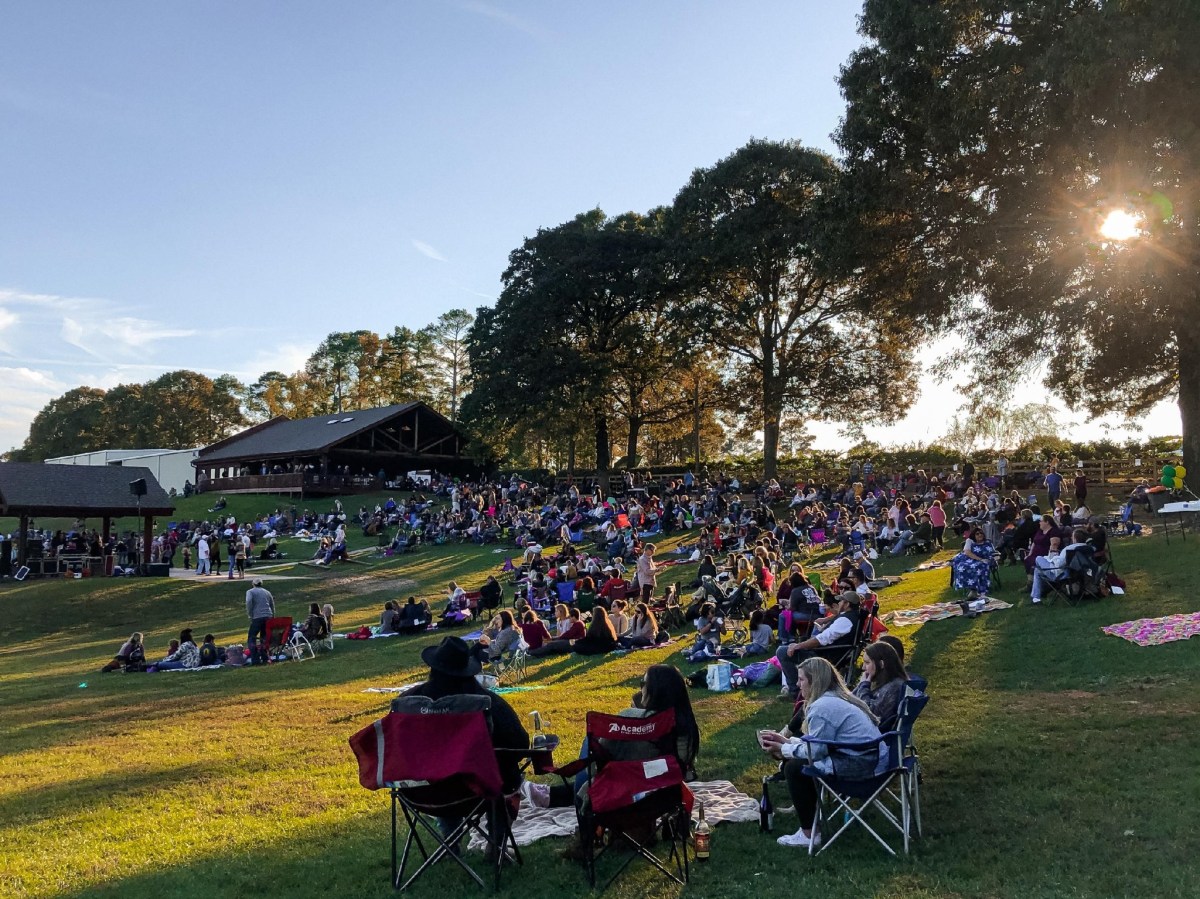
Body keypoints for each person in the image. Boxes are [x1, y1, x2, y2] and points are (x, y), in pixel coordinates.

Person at [405, 637, 530, 849]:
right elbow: (519, 744)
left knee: (441, 771)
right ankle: (496, 845)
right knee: (503, 772)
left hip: (420, 792)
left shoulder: (409, 703)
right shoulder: (488, 703)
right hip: (479, 792)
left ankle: (450, 843)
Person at [523, 663, 701, 810]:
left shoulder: (631, 717)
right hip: (665, 791)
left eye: (643, 684)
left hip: (629, 786)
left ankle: (558, 801)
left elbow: (600, 756)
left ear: (655, 690)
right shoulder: (687, 725)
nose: (641, 690)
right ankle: (549, 795)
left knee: (590, 748)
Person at [760, 657, 882, 848]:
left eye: (801, 680)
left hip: (860, 765)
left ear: (814, 681)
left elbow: (816, 751)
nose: (797, 684)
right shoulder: (835, 698)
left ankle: (809, 835)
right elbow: (821, 743)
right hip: (868, 758)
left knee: (794, 769)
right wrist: (786, 741)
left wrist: (782, 749)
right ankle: (811, 826)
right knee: (798, 764)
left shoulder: (822, 707)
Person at [774, 591, 862, 697]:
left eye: (841, 601)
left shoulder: (845, 620)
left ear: (847, 604)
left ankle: (796, 692)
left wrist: (798, 646)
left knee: (782, 651)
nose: (838, 603)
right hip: (827, 653)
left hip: (823, 657)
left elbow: (820, 640)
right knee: (787, 649)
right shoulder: (852, 617)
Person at [852, 642, 908, 728]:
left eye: (867, 663)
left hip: (869, 735)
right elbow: (850, 698)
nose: (863, 668)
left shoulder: (894, 687)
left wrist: (863, 686)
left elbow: (871, 714)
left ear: (881, 664)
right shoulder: (880, 682)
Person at [1031, 528, 1094, 604]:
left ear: (1075, 539)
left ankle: (1037, 597)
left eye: (1072, 536)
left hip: (1062, 575)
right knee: (1038, 571)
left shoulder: (1069, 549)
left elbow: (1059, 564)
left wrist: (1054, 558)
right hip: (1080, 574)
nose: (1071, 538)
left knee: (1038, 559)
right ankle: (1038, 596)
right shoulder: (1088, 548)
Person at [950, 525, 995, 596]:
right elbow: (967, 552)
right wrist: (980, 559)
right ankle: (972, 588)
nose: (980, 535)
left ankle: (980, 589)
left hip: (985, 560)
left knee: (979, 567)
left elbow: (993, 552)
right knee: (964, 567)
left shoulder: (988, 542)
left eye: (981, 533)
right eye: (977, 534)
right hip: (971, 558)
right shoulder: (970, 541)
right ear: (974, 535)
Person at [245, 578, 275, 665]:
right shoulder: (267, 592)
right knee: (264, 638)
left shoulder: (250, 592)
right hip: (268, 617)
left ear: (253, 584)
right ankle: (265, 657)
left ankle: (255, 659)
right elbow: (272, 605)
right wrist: (272, 616)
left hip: (257, 617)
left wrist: (250, 614)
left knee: (252, 637)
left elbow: (248, 602)